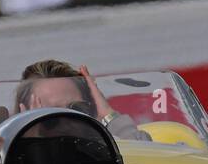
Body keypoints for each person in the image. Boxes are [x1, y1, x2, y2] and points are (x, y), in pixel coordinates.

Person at [13, 59, 149, 140]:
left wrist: (107, 115)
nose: (65, 122)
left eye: (76, 109)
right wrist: (30, 141)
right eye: (50, 115)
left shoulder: (105, 153)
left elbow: (146, 161)